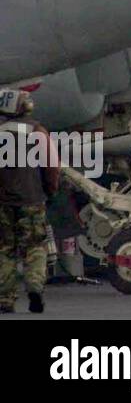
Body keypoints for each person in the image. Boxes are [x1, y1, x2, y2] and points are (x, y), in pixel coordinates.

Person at [0, 89, 59, 314]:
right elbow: (51, 165)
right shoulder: (37, 131)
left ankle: (5, 299)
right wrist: (50, 191)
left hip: (3, 202)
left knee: (5, 249)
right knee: (34, 246)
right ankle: (34, 288)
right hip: (32, 199)